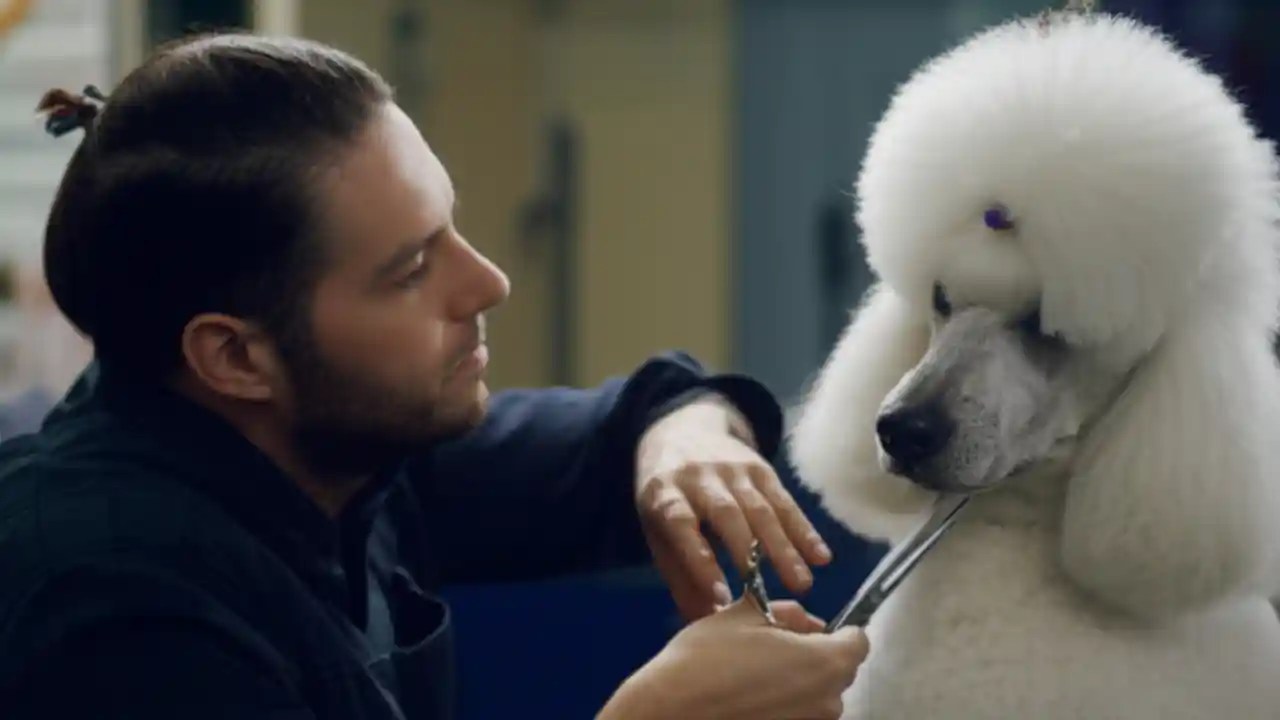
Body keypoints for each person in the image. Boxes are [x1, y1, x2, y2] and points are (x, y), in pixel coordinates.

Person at [0, 34, 867, 720]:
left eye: (451, 226)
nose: (488, 282)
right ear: (235, 358)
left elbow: (629, 423)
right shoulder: (105, 611)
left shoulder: (336, 451)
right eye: (412, 269)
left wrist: (683, 436)